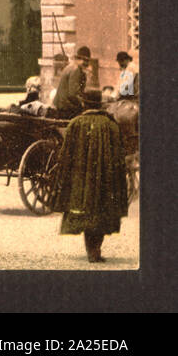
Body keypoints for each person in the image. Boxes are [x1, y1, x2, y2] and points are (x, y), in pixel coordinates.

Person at [49, 88, 129, 262]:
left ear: (84, 104)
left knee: (85, 211)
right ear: (99, 104)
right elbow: (119, 157)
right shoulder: (111, 125)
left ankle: (91, 250)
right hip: (105, 181)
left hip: (82, 181)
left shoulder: (75, 124)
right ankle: (95, 250)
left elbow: (65, 156)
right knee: (100, 213)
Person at [53, 45, 92, 117]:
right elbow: (72, 94)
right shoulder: (76, 70)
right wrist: (82, 104)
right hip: (65, 108)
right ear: (78, 59)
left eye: (87, 61)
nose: (86, 64)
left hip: (61, 105)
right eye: (85, 60)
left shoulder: (71, 67)